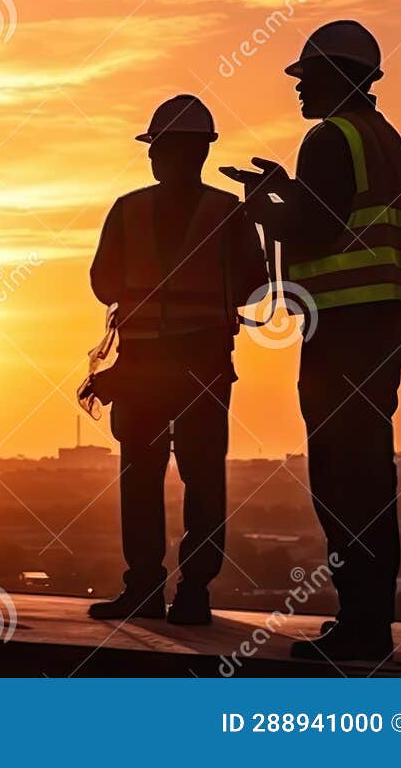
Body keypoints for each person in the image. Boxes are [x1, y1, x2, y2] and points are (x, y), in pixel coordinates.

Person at [222, 20, 401, 663]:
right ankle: (370, 622)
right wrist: (286, 189)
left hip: (343, 337)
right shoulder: (380, 138)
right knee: (368, 478)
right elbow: (341, 216)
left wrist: (261, 211)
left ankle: (360, 627)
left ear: (336, 76)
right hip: (378, 333)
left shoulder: (329, 138)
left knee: (341, 482)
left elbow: (319, 232)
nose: (299, 89)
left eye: (306, 78)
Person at [88, 94, 268, 625]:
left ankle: (143, 589)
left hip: (143, 366)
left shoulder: (128, 209)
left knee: (141, 477)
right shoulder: (228, 212)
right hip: (204, 366)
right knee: (203, 478)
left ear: (157, 153)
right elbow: (256, 287)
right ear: (202, 154)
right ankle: (193, 594)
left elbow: (103, 285)